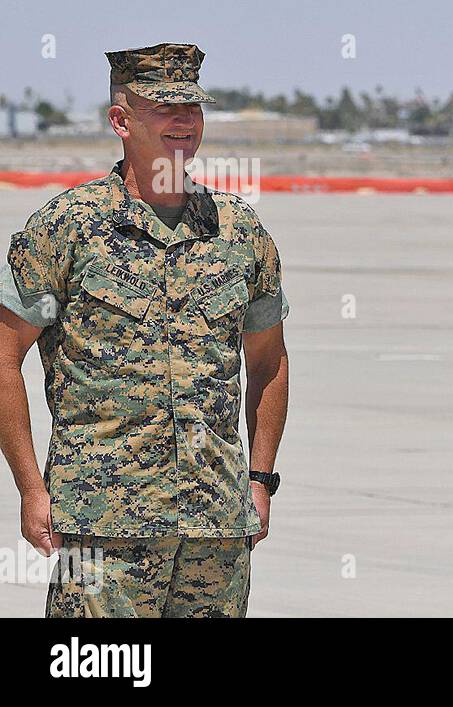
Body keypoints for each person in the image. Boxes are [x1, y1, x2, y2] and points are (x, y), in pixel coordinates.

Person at [0, 43, 290, 617]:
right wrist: (31, 488)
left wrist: (258, 479)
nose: (183, 120)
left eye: (192, 108)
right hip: (102, 528)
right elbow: (5, 357)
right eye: (162, 107)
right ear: (121, 120)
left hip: (216, 527)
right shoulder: (68, 228)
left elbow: (269, 361)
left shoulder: (238, 231)